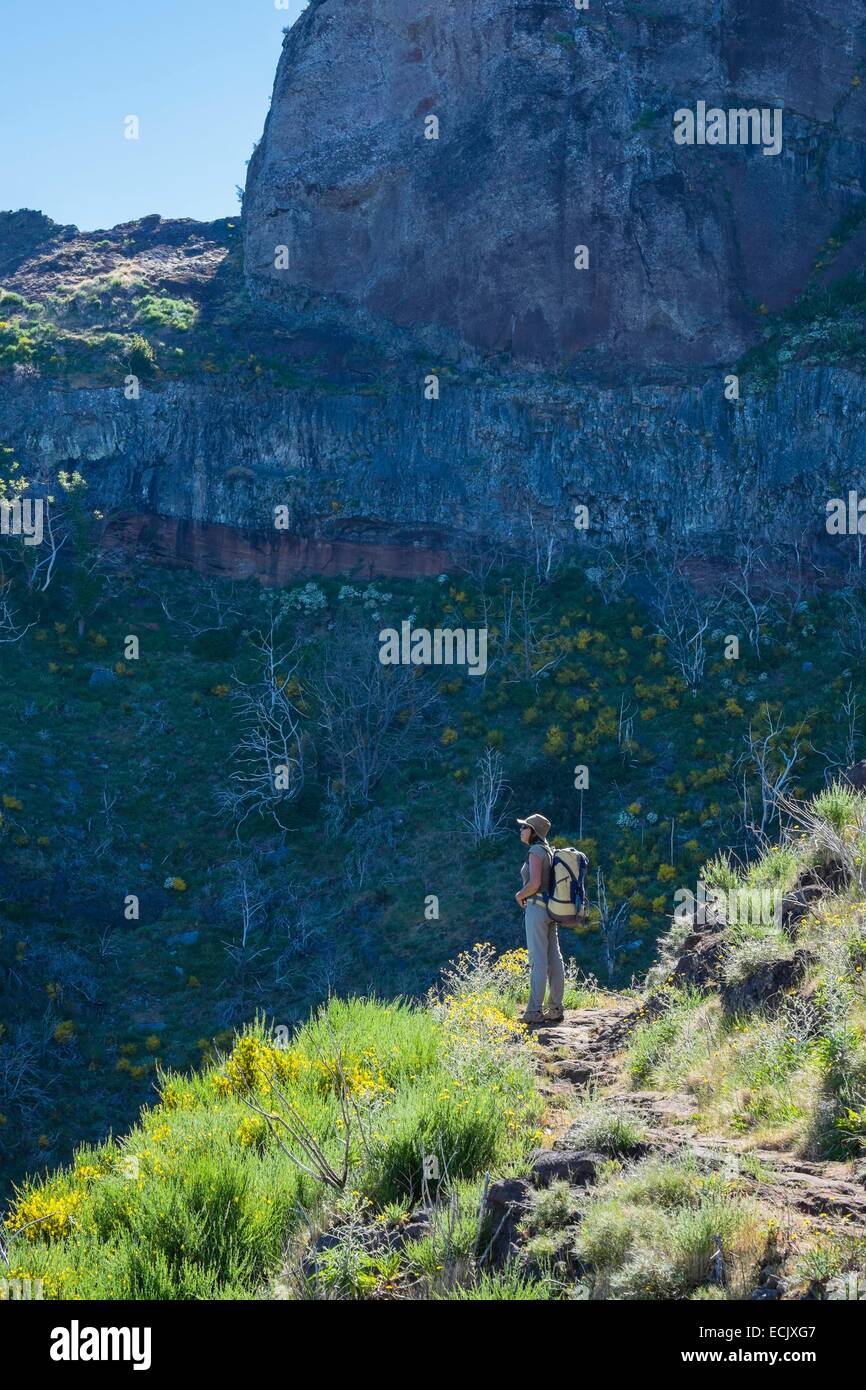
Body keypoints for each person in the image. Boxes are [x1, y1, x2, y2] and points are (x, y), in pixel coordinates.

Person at [515, 813, 565, 1025]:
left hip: (536, 909)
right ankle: (555, 1008)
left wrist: (519, 895)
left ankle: (534, 1011)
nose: (521, 830)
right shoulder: (549, 851)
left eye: (524, 827)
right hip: (551, 910)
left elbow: (535, 883)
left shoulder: (535, 850)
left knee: (538, 961)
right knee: (555, 959)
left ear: (533, 831)